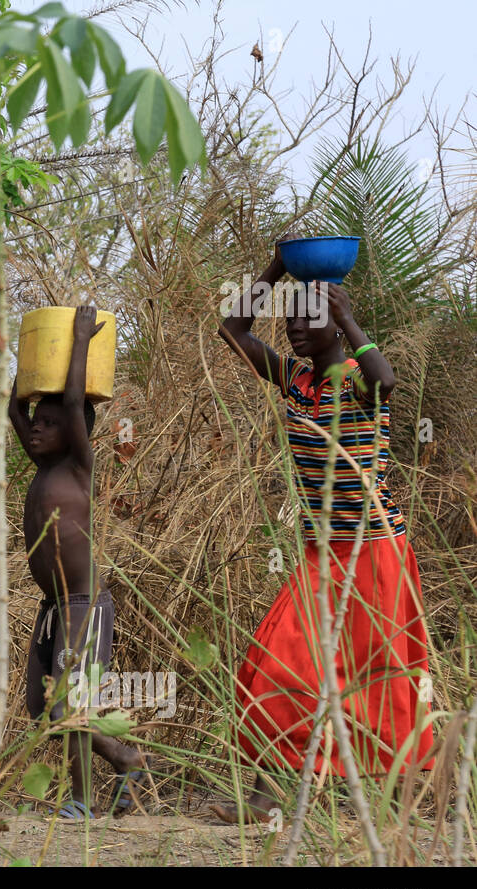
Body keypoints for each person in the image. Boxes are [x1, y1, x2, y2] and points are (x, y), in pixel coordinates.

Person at [213, 235, 434, 822]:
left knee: (380, 680)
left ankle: (402, 800)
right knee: (270, 662)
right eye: (290, 321)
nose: (293, 332)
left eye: (308, 320)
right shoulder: (297, 381)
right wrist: (276, 267)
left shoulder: (357, 383)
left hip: (374, 553)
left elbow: (385, 382)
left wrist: (351, 321)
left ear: (335, 320)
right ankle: (266, 796)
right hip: (321, 553)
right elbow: (232, 332)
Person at [9, 306, 149, 819]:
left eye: (49, 424)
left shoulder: (78, 465)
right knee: (41, 707)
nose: (38, 430)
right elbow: (13, 414)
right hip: (54, 606)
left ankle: (81, 802)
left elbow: (72, 400)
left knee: (71, 707)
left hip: (84, 605)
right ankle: (125, 758)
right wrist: (23, 371)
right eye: (36, 424)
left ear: (74, 431)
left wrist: (82, 339)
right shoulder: (43, 463)